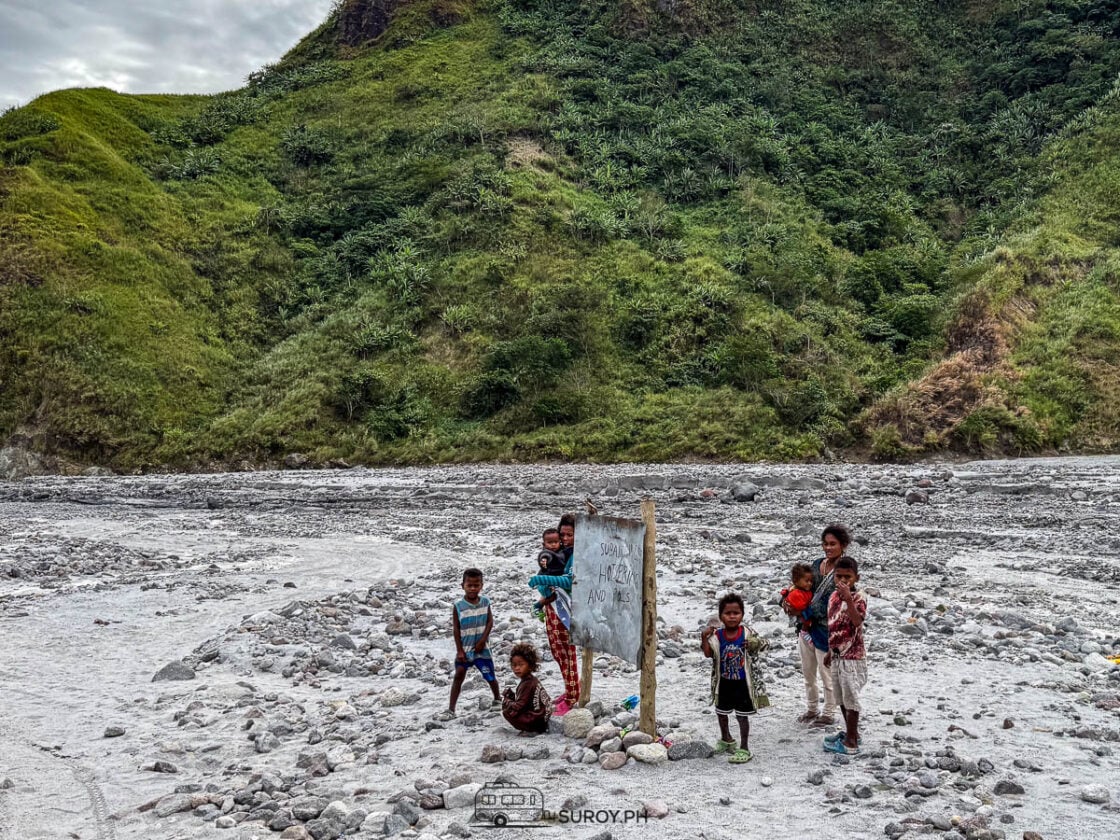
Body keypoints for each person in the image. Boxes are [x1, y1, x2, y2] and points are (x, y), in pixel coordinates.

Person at [785, 524, 851, 727]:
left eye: (833, 544)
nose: (828, 548)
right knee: (808, 672)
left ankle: (829, 712)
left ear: (843, 545)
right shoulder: (816, 564)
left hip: (827, 630)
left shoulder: (844, 570)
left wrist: (803, 612)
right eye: (825, 544)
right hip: (807, 627)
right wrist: (790, 602)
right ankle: (812, 708)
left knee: (827, 674)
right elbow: (803, 588)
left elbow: (839, 602)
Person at [701, 593, 768, 764]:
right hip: (723, 683)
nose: (732, 617)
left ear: (742, 615)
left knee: (741, 716)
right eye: (728, 613)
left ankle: (744, 747)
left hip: (742, 683)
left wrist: (754, 644)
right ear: (721, 616)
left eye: (736, 613)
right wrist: (704, 638)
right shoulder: (717, 635)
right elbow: (708, 654)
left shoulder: (747, 633)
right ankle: (727, 739)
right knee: (721, 713)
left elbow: (764, 644)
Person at [443, 568, 500, 720]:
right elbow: (456, 629)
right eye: (470, 585)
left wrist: (482, 640)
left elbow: (490, 622)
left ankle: (497, 699)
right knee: (459, 675)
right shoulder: (458, 606)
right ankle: (451, 709)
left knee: (489, 675)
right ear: (463, 586)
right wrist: (459, 650)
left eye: (476, 585)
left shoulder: (485, 602)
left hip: (483, 650)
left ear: (481, 585)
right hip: (465, 648)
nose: (473, 588)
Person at [528, 547, 580, 715]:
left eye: (569, 534)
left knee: (568, 655)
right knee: (558, 653)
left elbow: (569, 581)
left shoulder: (573, 555)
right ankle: (569, 691)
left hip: (566, 611)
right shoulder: (555, 557)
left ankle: (573, 697)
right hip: (553, 611)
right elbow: (546, 589)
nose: (565, 538)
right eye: (562, 534)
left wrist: (540, 579)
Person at [824, 557, 867, 755]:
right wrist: (828, 650)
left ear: (855, 577)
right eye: (839, 576)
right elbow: (833, 624)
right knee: (841, 696)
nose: (843, 580)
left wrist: (848, 598)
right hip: (837, 654)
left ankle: (851, 743)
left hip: (852, 655)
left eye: (847, 577)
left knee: (851, 697)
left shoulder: (859, 597)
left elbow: (857, 622)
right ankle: (852, 733)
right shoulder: (833, 596)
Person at [502, 642, 552, 735]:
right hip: (542, 716)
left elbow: (519, 706)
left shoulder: (527, 684)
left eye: (521, 665)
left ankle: (531, 730)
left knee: (507, 712)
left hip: (537, 721)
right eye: (514, 665)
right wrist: (512, 696)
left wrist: (507, 701)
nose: (517, 668)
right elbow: (526, 701)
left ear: (530, 666)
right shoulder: (531, 680)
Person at [532, 529, 566, 621]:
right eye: (550, 542)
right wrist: (544, 562)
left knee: (553, 596)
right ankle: (537, 606)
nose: (553, 544)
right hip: (545, 580)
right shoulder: (547, 552)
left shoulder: (561, 551)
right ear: (544, 545)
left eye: (555, 542)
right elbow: (545, 557)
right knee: (551, 597)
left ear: (560, 542)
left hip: (553, 579)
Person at [780, 563, 815, 630]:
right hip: (800, 619)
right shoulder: (796, 593)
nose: (810, 583)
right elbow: (801, 608)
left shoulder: (802, 590)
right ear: (796, 581)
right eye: (806, 581)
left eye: (811, 581)